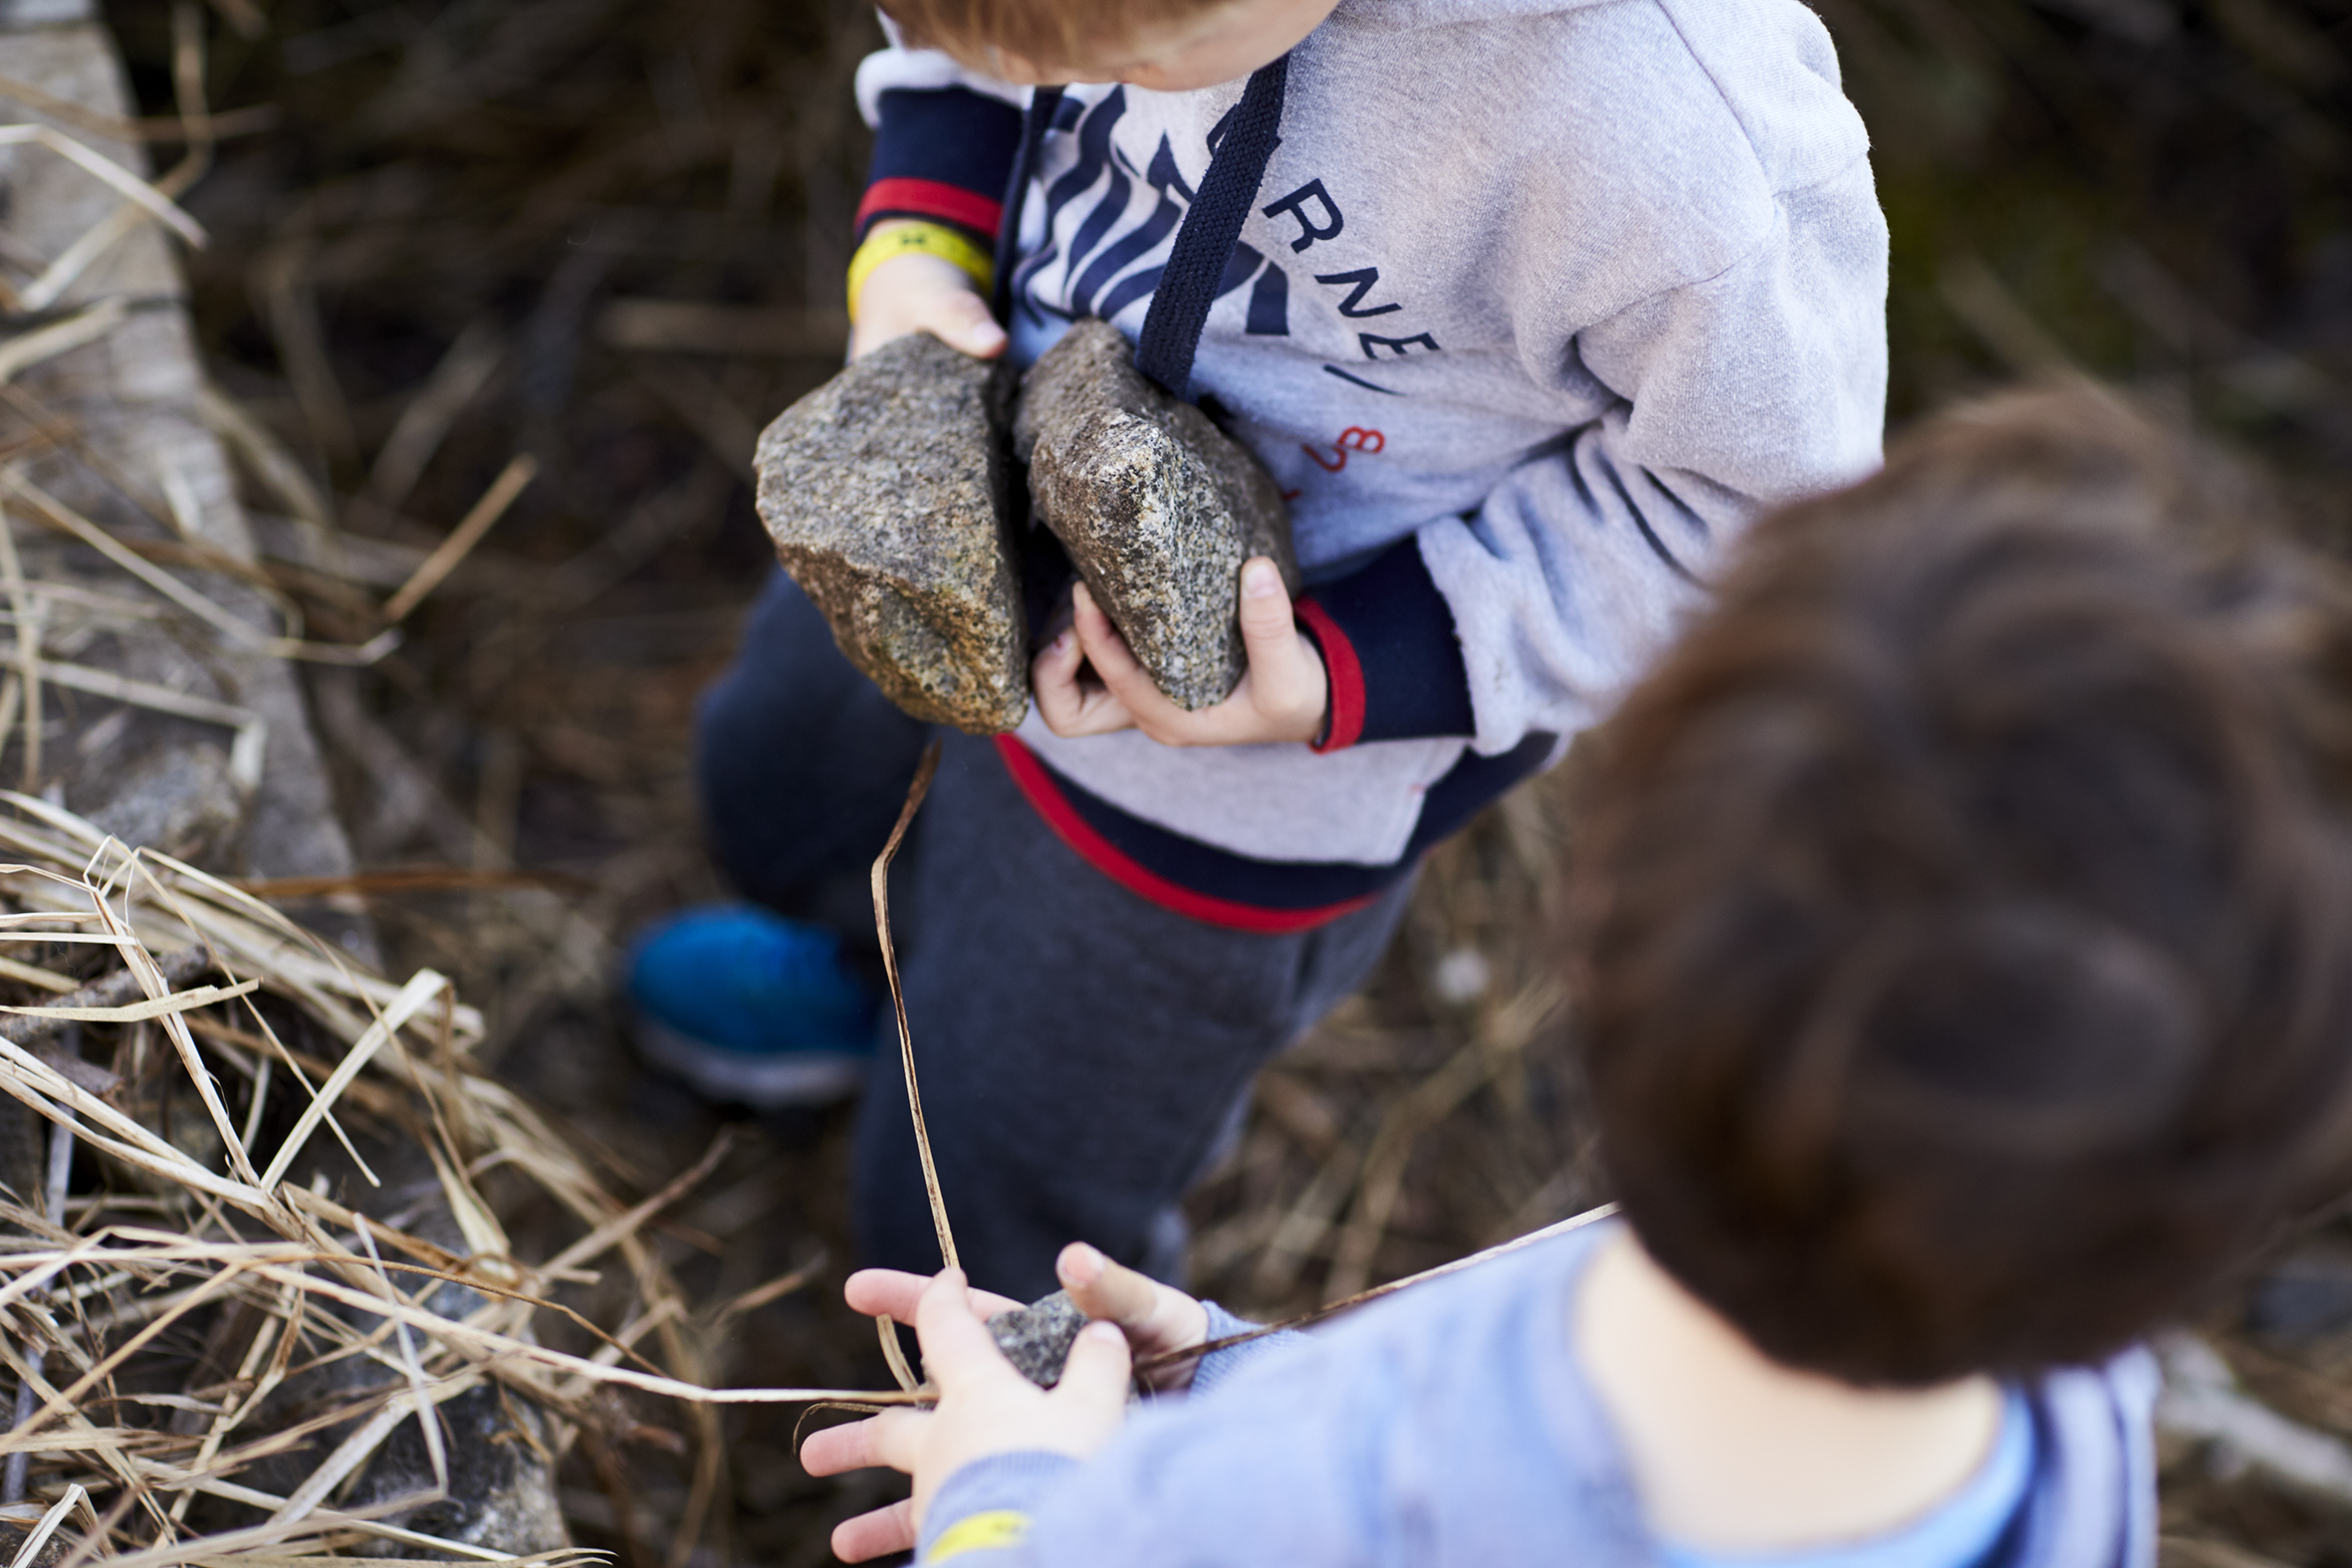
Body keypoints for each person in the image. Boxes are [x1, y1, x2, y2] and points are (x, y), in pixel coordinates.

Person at [799, 385, 2352, 1566]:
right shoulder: (2071, 1419)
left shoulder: (1282, 1513)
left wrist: (1008, 1505)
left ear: (1591, 935)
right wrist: (1229, 1374)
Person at [627, 0, 1889, 1298]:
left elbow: (1754, 518)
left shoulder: (1667, 139)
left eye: (1117, 56)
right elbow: (957, 57)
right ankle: (869, 984)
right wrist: (913, 254)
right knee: (781, 788)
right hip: (956, 520)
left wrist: (1356, 665)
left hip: (1226, 793)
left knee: (993, 1185)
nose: (1093, 86)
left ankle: (1029, 1388)